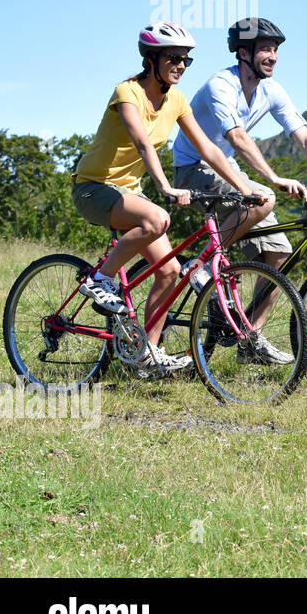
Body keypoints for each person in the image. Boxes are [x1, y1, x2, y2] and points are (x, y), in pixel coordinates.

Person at [72, 23, 261, 376]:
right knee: (157, 218)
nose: (181, 66)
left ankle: (147, 353)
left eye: (187, 60)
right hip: (93, 187)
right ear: (151, 59)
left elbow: (206, 147)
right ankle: (98, 280)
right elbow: (143, 143)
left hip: (129, 192)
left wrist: (242, 187)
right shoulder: (127, 92)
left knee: (170, 271)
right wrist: (165, 188)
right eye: (174, 58)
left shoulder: (176, 99)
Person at [171, 16, 307, 281]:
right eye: (265, 49)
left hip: (228, 168)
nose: (273, 57)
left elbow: (304, 137)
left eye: (275, 50)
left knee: (279, 256)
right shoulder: (221, 85)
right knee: (264, 196)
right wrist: (273, 179)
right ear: (243, 52)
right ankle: (202, 264)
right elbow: (237, 137)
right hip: (193, 169)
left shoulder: (271, 91)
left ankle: (249, 324)